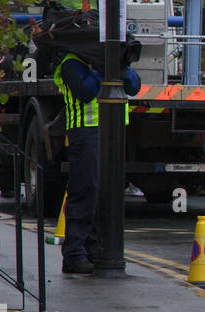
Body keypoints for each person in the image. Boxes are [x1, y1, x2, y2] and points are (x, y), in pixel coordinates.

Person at [54, 46, 142, 273]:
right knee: (85, 191)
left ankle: (94, 250)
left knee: (107, 193)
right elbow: (86, 92)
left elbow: (134, 86)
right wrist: (100, 69)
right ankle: (74, 254)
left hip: (113, 131)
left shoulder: (112, 61)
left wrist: (119, 66)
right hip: (85, 132)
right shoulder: (71, 62)